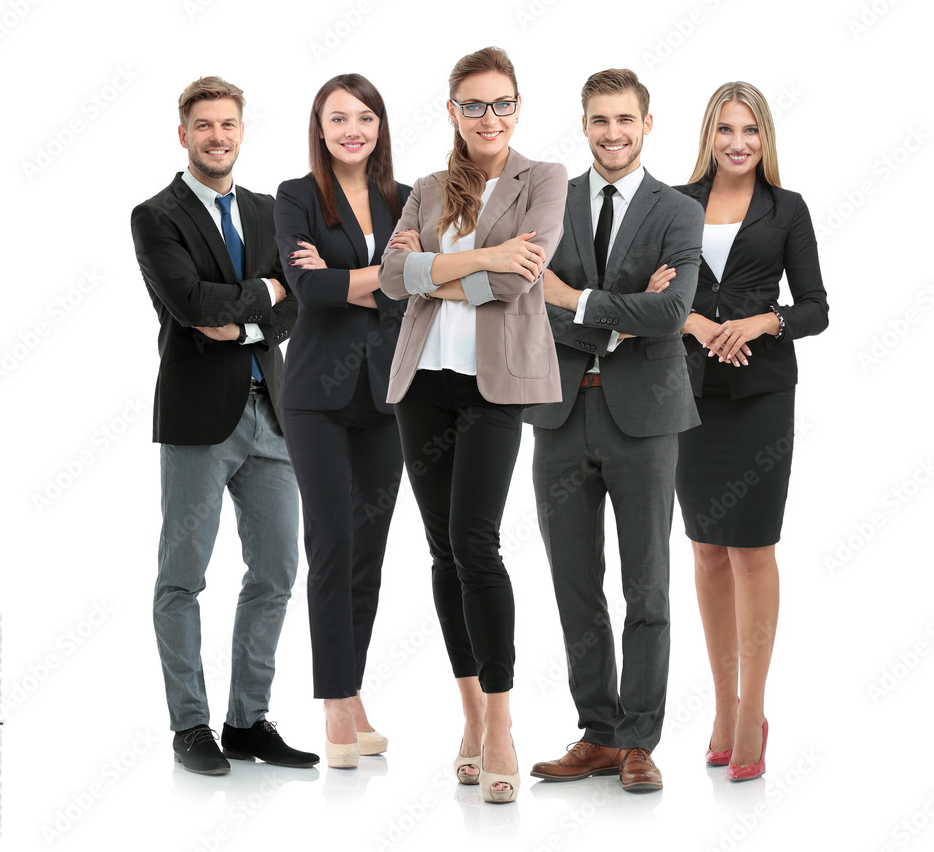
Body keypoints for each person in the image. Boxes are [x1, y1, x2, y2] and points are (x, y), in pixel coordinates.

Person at [378, 46, 567, 803]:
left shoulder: (544, 179)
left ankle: (501, 721)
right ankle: (467, 716)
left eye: (502, 103)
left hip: (496, 386)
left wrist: (439, 270)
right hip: (423, 382)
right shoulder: (427, 188)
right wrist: (479, 259)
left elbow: (521, 279)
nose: (490, 118)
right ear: (452, 111)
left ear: (517, 107)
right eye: (474, 105)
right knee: (439, 551)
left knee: (475, 542)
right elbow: (393, 279)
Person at [131, 76, 318, 775]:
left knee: (274, 572)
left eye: (227, 124)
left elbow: (297, 304)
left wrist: (244, 319)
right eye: (203, 125)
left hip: (272, 414)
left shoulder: (270, 211)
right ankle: (191, 727)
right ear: (183, 134)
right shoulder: (155, 215)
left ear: (243, 130)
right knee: (182, 577)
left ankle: (247, 721)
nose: (217, 136)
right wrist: (263, 298)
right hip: (197, 421)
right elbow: (187, 302)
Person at [526, 68, 703, 793]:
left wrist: (579, 299)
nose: (613, 133)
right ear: (584, 124)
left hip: (647, 422)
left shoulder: (677, 211)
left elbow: (671, 316)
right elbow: (527, 303)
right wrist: (616, 315)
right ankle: (597, 735)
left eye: (625, 119)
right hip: (561, 415)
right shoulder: (550, 201)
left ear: (648, 124)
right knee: (575, 586)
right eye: (600, 120)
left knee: (648, 588)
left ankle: (639, 742)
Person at [673, 81, 828, 781]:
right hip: (689, 391)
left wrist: (764, 321)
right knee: (706, 549)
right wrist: (700, 324)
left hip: (761, 392)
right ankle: (722, 703)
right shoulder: (672, 203)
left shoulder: (786, 209)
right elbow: (650, 292)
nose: (738, 143)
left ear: (765, 139)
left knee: (752, 550)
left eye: (751, 131)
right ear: (709, 133)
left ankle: (752, 710)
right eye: (727, 130)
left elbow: (817, 307)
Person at [273, 74, 409, 769]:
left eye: (365, 117)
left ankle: (351, 692)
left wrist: (351, 279)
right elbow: (308, 290)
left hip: (389, 395)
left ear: (380, 126)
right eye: (338, 118)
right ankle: (335, 706)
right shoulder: (297, 196)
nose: (352, 129)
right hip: (316, 400)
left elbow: (421, 293)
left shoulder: (407, 199)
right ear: (319, 128)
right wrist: (380, 278)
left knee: (370, 551)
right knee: (330, 545)